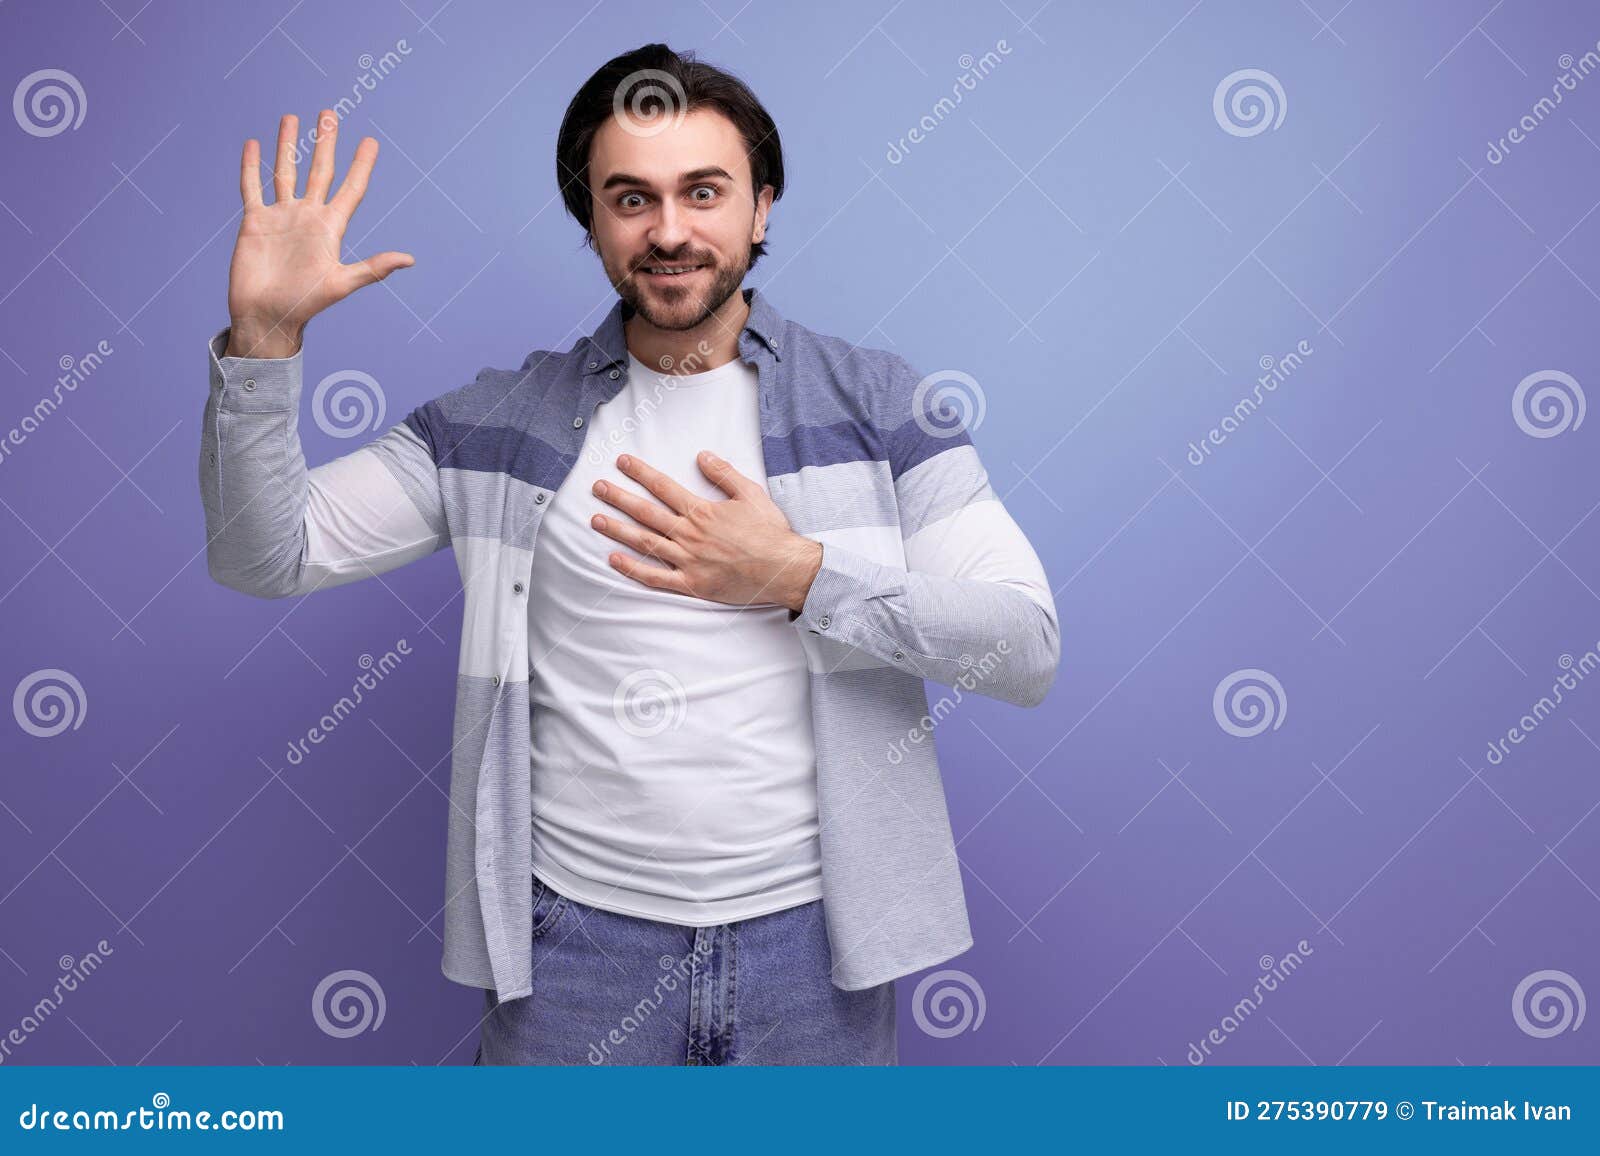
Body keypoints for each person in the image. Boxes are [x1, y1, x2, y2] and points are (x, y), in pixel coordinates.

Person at [200, 42, 1060, 1065]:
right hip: (572, 959)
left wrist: (794, 574)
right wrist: (263, 342)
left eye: (704, 191)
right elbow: (266, 553)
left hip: (816, 956)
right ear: (593, 220)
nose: (669, 231)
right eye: (630, 198)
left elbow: (1022, 646)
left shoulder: (878, 408)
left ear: (762, 207)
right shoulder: (495, 426)